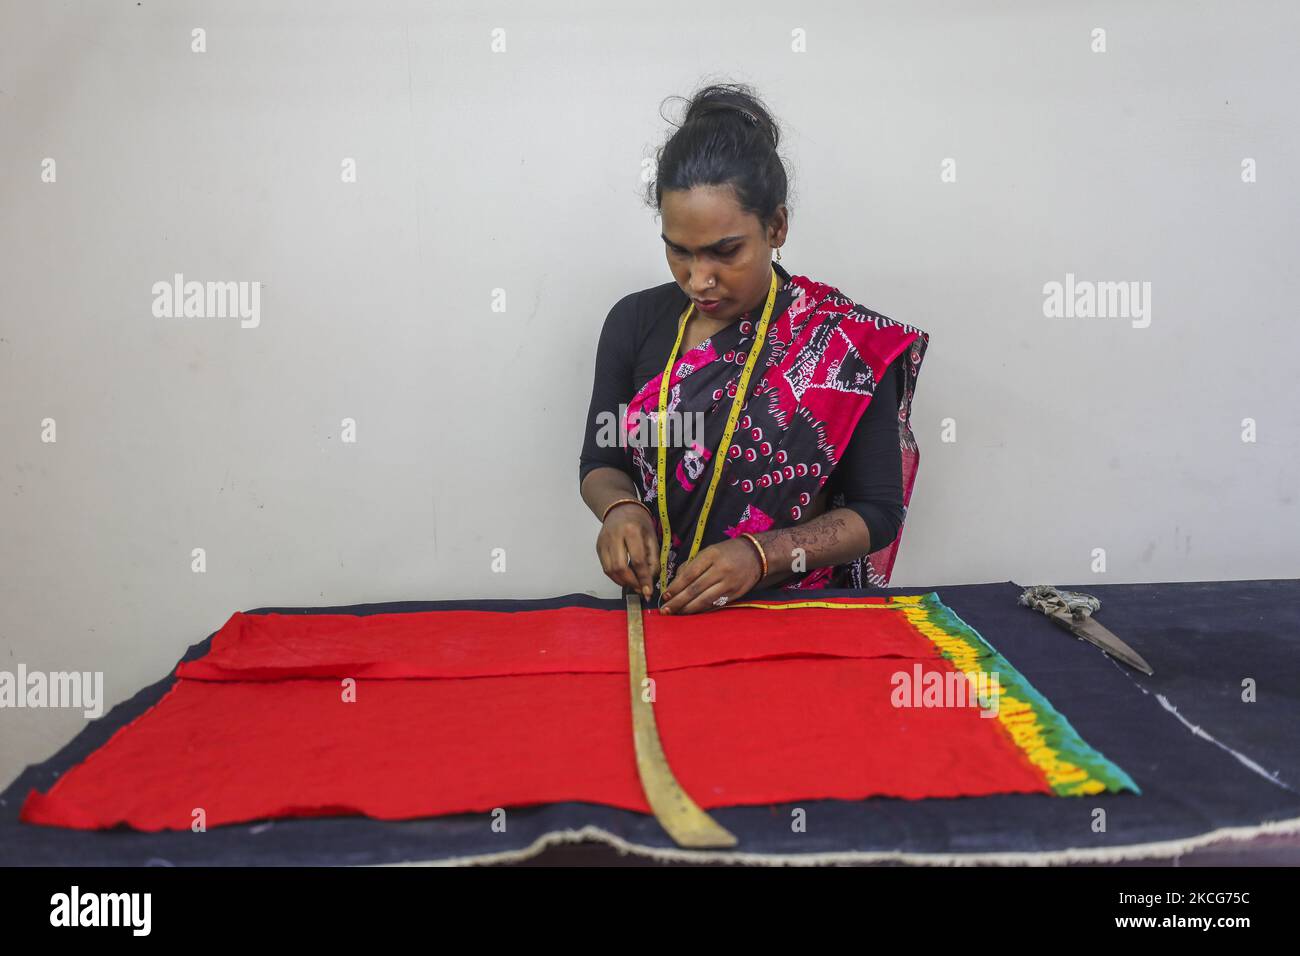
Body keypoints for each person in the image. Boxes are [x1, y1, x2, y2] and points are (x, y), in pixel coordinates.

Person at [578, 83, 929, 615]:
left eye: (725, 252)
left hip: (794, 618)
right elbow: (602, 461)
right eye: (679, 252)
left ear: (777, 226)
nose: (699, 279)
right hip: (661, 613)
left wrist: (764, 553)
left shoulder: (843, 343)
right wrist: (620, 510)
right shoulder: (634, 322)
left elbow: (877, 511)